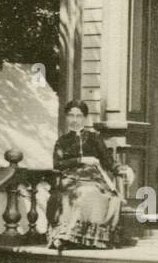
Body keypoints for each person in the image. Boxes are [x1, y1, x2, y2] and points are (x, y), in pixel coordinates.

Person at [47, 100, 127, 250]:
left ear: (84, 118)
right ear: (66, 117)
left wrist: (120, 168)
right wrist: (81, 160)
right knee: (80, 193)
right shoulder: (62, 141)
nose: (75, 120)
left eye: (78, 116)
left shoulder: (94, 138)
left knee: (93, 193)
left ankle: (88, 238)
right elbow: (58, 164)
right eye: (71, 115)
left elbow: (108, 161)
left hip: (94, 179)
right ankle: (67, 236)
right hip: (71, 179)